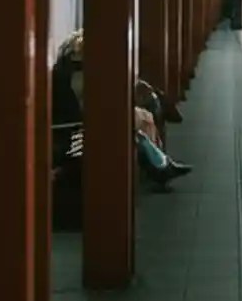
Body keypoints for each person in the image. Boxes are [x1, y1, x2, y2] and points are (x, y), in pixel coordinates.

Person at [52, 30, 191, 185]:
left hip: (79, 127)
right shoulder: (78, 78)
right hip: (76, 133)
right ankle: (161, 165)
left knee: (135, 125)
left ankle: (161, 165)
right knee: (135, 124)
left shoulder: (68, 73)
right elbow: (87, 108)